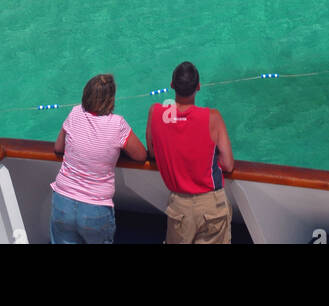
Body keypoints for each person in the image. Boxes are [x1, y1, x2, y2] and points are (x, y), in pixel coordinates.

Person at [50, 73, 146, 244]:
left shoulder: (74, 113)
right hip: (95, 208)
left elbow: (58, 147)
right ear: (110, 100)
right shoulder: (118, 124)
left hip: (62, 202)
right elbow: (140, 155)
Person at [146, 60, 234, 244]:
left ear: (172, 86)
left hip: (179, 208)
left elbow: (153, 152)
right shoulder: (213, 118)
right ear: (198, 87)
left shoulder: (155, 113)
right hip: (211, 205)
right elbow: (228, 164)